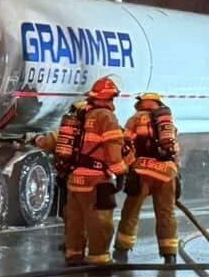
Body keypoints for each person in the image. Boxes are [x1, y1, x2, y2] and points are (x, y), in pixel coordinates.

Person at [37, 77, 127, 267]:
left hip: (74, 179)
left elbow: (57, 140)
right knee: (99, 221)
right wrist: (120, 173)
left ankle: (74, 255)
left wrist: (37, 140)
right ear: (109, 98)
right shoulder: (106, 117)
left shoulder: (78, 116)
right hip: (96, 180)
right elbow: (113, 147)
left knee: (74, 220)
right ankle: (99, 258)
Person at [115, 91, 180, 263]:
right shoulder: (167, 121)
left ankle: (122, 249)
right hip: (166, 173)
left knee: (131, 211)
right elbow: (174, 149)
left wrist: (128, 167)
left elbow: (126, 145)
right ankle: (170, 253)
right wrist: (175, 174)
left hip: (143, 172)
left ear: (141, 104)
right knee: (167, 213)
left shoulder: (135, 119)